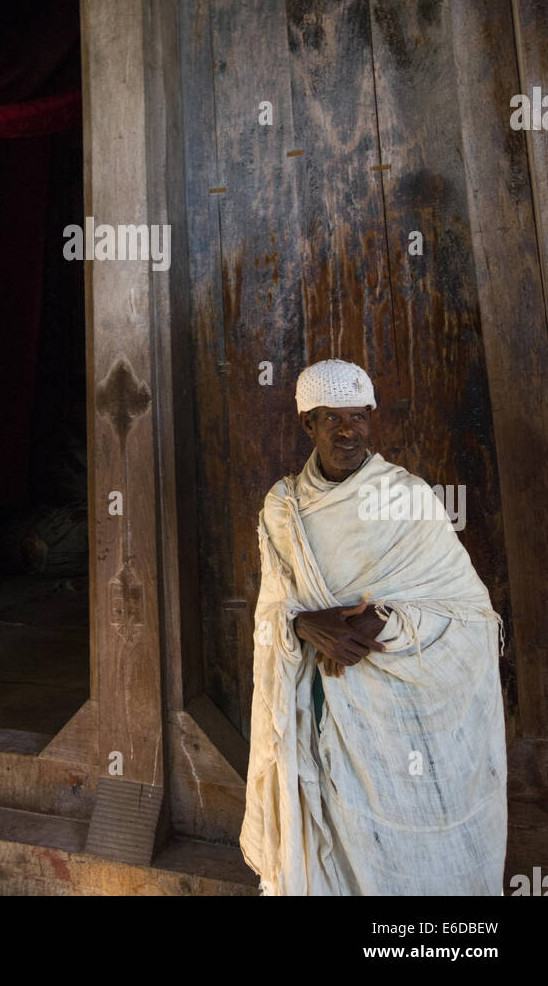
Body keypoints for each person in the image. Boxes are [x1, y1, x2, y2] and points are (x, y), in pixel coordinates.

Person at [239, 359, 506, 896]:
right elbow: (273, 614)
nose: (348, 431)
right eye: (332, 418)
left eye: (359, 416)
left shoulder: (407, 499)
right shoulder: (283, 507)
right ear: (306, 425)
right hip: (321, 711)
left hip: (405, 723)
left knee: (416, 856)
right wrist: (304, 625)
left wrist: (383, 620)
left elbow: (470, 612)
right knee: (334, 842)